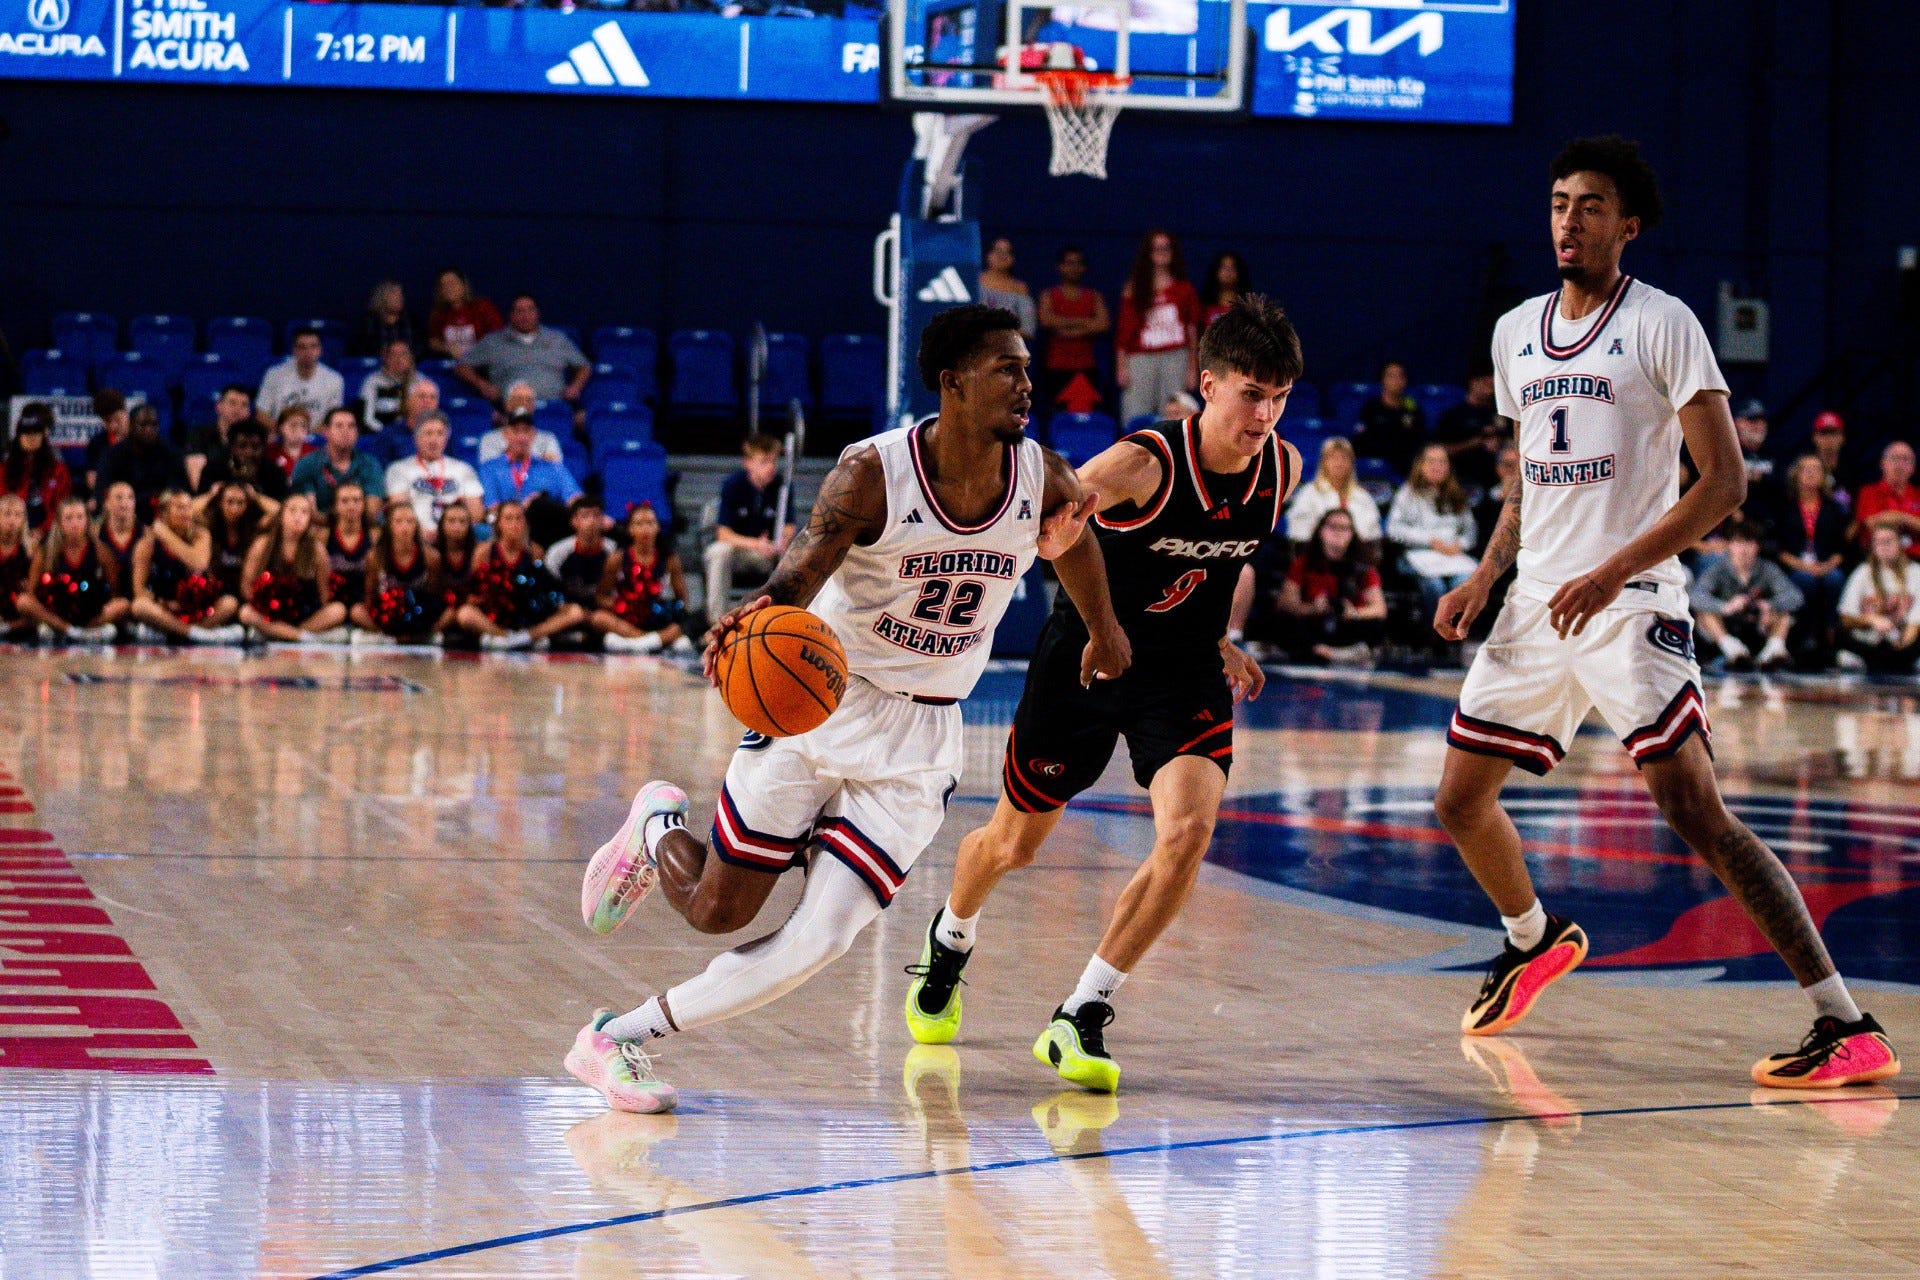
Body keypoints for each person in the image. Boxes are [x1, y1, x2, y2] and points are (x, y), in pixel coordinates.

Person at [566, 304, 1127, 1114]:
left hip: (922, 737)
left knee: (821, 939)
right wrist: (747, 623)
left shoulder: (1045, 479)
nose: (1025, 384)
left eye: (1026, 368)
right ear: (953, 383)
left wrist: (1104, 631)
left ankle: (616, 1037)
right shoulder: (872, 474)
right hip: (822, 705)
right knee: (718, 911)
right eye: (1007, 369)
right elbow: (794, 578)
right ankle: (657, 827)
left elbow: (1077, 544)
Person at [1430, 135, 1896, 1085]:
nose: (1569, 220)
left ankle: (1845, 1022)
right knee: (1459, 801)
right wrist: (1486, 573)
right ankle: (1533, 936)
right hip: (1534, 603)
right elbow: (1527, 475)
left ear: (1628, 226)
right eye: (1559, 202)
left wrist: (1612, 572)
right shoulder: (1515, 331)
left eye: (1591, 205)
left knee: (1695, 809)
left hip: (1631, 601)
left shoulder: (1664, 322)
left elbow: (1724, 483)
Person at [903, 299, 1301, 1091]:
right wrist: (1095, 619)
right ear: (1208, 385)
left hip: (1182, 671)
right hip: (1086, 657)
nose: (1265, 415)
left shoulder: (1280, 468)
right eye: (1252, 394)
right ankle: (950, 937)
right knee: (1014, 845)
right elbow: (1046, 525)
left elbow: (1214, 560)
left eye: (1280, 398)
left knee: (1188, 832)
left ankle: (1081, 1010)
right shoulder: (1142, 465)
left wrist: (1219, 638)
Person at [453, 500, 585, 650]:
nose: (514, 524)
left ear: (525, 523)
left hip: (528, 617)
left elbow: (545, 590)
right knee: (465, 614)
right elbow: (471, 591)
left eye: (519, 518)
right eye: (508, 518)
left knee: (575, 612)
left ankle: (526, 637)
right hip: (495, 616)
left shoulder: (535, 551)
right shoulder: (485, 552)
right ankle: (504, 636)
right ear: (499, 524)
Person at [1265, 507, 1387, 664]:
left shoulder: (1364, 566)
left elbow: (1379, 609)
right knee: (1283, 621)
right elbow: (1285, 604)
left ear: (1352, 534)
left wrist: (1354, 613)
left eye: (1344, 528)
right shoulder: (1303, 563)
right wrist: (1312, 608)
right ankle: (1322, 651)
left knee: (1376, 625)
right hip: (1314, 623)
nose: (1338, 533)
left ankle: (1332, 652)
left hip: (1347, 625)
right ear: (1321, 531)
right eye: (1332, 527)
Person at [1388, 443, 1480, 632]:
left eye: (1442, 462)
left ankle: (1457, 632)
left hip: (1452, 555)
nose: (1437, 466)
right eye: (1431, 461)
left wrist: (1459, 545)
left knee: (1464, 582)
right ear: (1420, 465)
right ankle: (1434, 633)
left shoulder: (1456, 494)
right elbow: (1393, 528)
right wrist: (1429, 541)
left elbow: (1470, 532)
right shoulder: (1407, 493)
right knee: (1435, 587)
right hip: (1419, 554)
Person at [130, 489, 242, 643]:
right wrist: (164, 603)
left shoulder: (200, 534)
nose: (186, 512)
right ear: (165, 512)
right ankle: (196, 634)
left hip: (197, 608)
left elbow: (199, 564)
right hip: (165, 608)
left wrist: (164, 532)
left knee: (230, 603)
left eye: (189, 507)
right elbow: (139, 589)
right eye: (179, 507)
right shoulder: (148, 542)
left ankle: (174, 633)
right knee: (139, 606)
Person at [1690, 520, 1803, 670]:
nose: (1743, 549)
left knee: (1784, 615)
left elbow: (1795, 597)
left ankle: (1773, 652)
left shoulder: (1768, 569)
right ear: (1729, 545)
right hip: (1727, 626)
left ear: (1757, 546)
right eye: (1738, 542)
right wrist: (1725, 606)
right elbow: (1696, 597)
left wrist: (1769, 605)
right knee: (1705, 614)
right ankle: (1734, 653)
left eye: (1749, 543)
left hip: (1758, 625)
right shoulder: (1718, 570)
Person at [1115, 229, 1199, 425]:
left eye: (1166, 248)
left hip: (1175, 357)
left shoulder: (1184, 289)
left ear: (1173, 252)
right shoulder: (1134, 288)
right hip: (1140, 358)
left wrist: (1192, 367)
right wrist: (1121, 366)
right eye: (1156, 248)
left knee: (1175, 417)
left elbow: (1192, 330)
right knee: (1135, 414)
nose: (1161, 252)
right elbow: (1124, 331)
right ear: (1148, 253)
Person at [239, 493, 348, 643]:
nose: (298, 517)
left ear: (310, 519)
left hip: (304, 615)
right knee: (246, 612)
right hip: (270, 614)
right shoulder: (263, 544)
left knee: (338, 610)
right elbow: (246, 586)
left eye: (304, 512)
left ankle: (284, 634)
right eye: (292, 511)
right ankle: (301, 637)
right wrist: (263, 604)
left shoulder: (316, 549)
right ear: (281, 516)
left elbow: (324, 595)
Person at [702, 434, 791, 615]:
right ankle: (717, 619)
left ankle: (784, 615)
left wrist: (782, 540)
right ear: (748, 463)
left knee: (792, 555)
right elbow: (723, 534)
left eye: (773, 461)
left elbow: (789, 525)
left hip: (769, 554)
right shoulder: (733, 485)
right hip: (740, 552)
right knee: (718, 551)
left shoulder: (782, 485)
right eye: (764, 462)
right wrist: (756, 544)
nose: (771, 467)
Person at [17, 496, 126, 642]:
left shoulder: (99, 550)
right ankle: (69, 630)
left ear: (87, 521)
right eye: (69, 518)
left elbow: (115, 590)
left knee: (123, 605)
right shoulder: (46, 551)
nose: (75, 524)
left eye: (80, 517)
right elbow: (31, 591)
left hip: (90, 613)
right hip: (56, 613)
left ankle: (79, 631)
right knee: (23, 601)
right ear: (59, 523)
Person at [591, 502, 693, 655]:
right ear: (630, 529)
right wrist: (624, 606)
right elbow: (600, 597)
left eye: (650, 523)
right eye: (639, 524)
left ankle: (637, 643)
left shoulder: (669, 559)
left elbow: (682, 599)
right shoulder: (617, 558)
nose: (645, 529)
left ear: (657, 527)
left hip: (656, 616)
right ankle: (652, 641)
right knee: (598, 618)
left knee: (682, 626)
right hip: (626, 620)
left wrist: (666, 610)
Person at [1770, 453, 1850, 647]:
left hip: (1826, 563)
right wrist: (1804, 566)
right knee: (1805, 580)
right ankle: (1805, 633)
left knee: (1834, 579)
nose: (1811, 473)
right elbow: (1777, 547)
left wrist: (1826, 566)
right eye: (1806, 469)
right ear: (1796, 474)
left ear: (1825, 476)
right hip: (1795, 563)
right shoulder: (1784, 506)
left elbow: (1843, 547)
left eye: (1816, 469)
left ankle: (1832, 633)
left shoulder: (1834, 508)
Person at [457, 293, 590, 407]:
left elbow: (584, 366)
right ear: (511, 315)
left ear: (537, 313)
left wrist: (575, 387)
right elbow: (461, 366)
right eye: (519, 311)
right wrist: (483, 385)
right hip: (509, 411)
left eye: (530, 310)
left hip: (554, 408)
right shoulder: (493, 342)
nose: (525, 315)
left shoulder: (557, 339)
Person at [350, 499, 446, 644]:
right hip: (387, 615)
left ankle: (422, 636)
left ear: (416, 526)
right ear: (389, 526)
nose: (404, 527)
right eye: (398, 522)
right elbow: (370, 595)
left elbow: (434, 596)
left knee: (448, 613)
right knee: (356, 611)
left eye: (410, 521)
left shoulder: (431, 557)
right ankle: (387, 637)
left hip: (418, 614)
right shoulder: (375, 556)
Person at [479, 410, 580, 546]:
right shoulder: (490, 468)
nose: (522, 437)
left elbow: (575, 499)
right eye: (516, 431)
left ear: (533, 435)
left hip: (550, 528)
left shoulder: (552, 467)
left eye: (526, 431)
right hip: (507, 526)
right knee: (537, 506)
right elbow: (492, 507)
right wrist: (525, 507)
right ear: (506, 434)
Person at [1836, 524, 1920, 673]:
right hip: (1867, 643)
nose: (1884, 546)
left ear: (1901, 544)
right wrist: (1870, 620)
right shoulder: (1862, 572)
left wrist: (1902, 646)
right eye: (1878, 542)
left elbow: (1915, 623)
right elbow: (1846, 619)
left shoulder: (1915, 572)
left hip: (1901, 642)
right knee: (1846, 657)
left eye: (1889, 541)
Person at [1036, 245, 1110, 414]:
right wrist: (1085, 324)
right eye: (1069, 263)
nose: (1073, 268)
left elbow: (1103, 324)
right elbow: (1046, 321)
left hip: (1086, 368)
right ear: (1060, 266)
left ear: (1084, 267)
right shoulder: (1049, 295)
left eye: (1078, 263)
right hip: (1055, 368)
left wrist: (1064, 327)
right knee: (1056, 416)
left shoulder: (1094, 296)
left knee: (1086, 416)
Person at [386, 412, 484, 538]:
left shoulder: (464, 469)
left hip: (456, 538)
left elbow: (475, 513)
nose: (434, 440)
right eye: (428, 433)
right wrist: (421, 534)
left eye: (440, 433)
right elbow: (399, 511)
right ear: (416, 438)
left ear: (446, 438)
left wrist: (451, 533)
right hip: (415, 537)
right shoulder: (398, 469)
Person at [289, 408, 386, 521]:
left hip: (362, 526)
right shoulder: (306, 464)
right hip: (321, 526)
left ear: (357, 432)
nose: (345, 431)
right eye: (339, 426)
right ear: (326, 431)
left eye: (351, 426)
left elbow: (372, 511)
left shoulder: (370, 464)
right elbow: (309, 513)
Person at [1284, 435, 1382, 546]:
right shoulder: (1309, 493)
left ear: (1351, 463)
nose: (1339, 463)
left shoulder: (1363, 497)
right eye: (1333, 458)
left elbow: (1373, 535)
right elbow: (1298, 533)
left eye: (1344, 458)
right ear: (1323, 462)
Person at [96, 403, 187, 521]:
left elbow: (178, 492)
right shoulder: (112, 455)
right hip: (122, 515)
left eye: (154, 425)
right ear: (131, 426)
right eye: (143, 425)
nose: (149, 430)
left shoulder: (171, 454)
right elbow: (103, 493)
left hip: (161, 518)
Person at [194, 480, 268, 610]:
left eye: (240, 503)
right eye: (229, 502)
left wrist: (256, 496)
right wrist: (210, 495)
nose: (234, 508)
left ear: (247, 505)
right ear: (220, 503)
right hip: (214, 595)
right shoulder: (209, 525)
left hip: (246, 593)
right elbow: (189, 511)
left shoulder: (254, 528)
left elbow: (279, 513)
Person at [3, 402, 73, 536]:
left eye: (36, 433)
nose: (31, 438)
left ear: (43, 436)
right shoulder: (5, 469)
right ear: (18, 437)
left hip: (49, 533)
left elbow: (61, 507)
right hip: (11, 531)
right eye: (26, 433)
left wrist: (42, 531)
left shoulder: (58, 470)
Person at [1433, 373, 1506, 494]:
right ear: (1473, 382)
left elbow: (1513, 444)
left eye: (1493, 386)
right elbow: (1440, 450)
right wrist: (1473, 443)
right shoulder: (1453, 415)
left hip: (1495, 483)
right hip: (1461, 480)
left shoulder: (1499, 413)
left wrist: (1499, 444)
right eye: (1486, 384)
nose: (1490, 390)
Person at [1351, 360, 1426, 478]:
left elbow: (1420, 439)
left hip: (1405, 463)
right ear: (1383, 380)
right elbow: (1360, 440)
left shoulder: (1412, 408)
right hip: (1378, 460)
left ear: (1405, 381)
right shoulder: (1371, 408)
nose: (1397, 381)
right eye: (1391, 376)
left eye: (1401, 376)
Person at [256, 328, 345, 426]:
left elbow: (334, 419)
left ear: (320, 350)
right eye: (302, 347)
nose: (308, 352)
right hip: (280, 432)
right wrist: (284, 431)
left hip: (316, 434)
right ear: (294, 350)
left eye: (313, 346)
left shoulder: (334, 379)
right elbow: (261, 414)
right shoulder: (274, 375)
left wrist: (310, 434)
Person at [546, 494, 616, 616]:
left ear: (603, 520)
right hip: (568, 612)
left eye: (596, 515)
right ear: (574, 521)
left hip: (602, 613)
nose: (591, 521)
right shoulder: (557, 552)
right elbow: (549, 590)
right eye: (585, 516)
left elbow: (617, 593)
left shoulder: (614, 551)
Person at [1852, 440, 1920, 559]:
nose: (1899, 465)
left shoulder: (1917, 493)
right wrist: (1912, 521)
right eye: (1894, 458)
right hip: (1880, 558)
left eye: (1905, 460)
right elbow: (1871, 523)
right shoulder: (1869, 492)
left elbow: (1883, 519)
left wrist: (1900, 517)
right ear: (1882, 464)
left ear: (1913, 468)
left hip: (1915, 557)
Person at [196, 418, 287, 504]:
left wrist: (256, 496)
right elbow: (196, 507)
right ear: (231, 447)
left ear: (263, 447)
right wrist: (211, 495)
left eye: (255, 447)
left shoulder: (274, 472)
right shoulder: (213, 470)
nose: (249, 452)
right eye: (242, 446)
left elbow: (282, 509)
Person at [184, 384, 255, 493]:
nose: (238, 409)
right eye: (232, 403)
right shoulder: (198, 436)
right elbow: (198, 484)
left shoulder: (255, 441)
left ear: (249, 412)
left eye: (244, 405)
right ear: (218, 406)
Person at [427, 267, 503, 361]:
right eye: (443, 285)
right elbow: (433, 341)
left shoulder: (483, 307)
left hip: (482, 360)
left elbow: (498, 337)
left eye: (452, 283)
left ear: (463, 285)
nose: (448, 288)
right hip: (452, 362)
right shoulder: (439, 313)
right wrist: (446, 348)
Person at [477, 385, 565, 464]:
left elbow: (555, 470)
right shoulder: (489, 439)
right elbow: (488, 469)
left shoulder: (548, 439)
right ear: (507, 404)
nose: (523, 403)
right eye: (518, 399)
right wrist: (539, 458)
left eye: (529, 400)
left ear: (534, 406)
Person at [324, 482, 374, 613]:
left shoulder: (375, 536)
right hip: (332, 606)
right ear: (335, 506)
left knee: (357, 613)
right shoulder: (324, 536)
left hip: (364, 607)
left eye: (356, 501)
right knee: (337, 612)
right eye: (345, 501)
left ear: (364, 505)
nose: (351, 506)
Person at [1731, 399, 1781, 526]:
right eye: (1752, 420)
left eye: (1762, 421)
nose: (1758, 426)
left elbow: (1785, 484)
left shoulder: (1775, 452)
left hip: (1770, 523)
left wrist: (1762, 477)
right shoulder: (1728, 451)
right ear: (1738, 422)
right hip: (1734, 523)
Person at [977, 236, 1036, 338]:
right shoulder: (973, 281)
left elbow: (1028, 329)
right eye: (997, 251)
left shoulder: (1020, 288)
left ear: (1013, 258)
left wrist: (999, 333)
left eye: (1007, 252)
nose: (1002, 256)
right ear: (988, 255)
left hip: (1007, 345)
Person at [359, 339, 421, 434]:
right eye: (393, 355)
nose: (398, 359)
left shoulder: (421, 382)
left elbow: (426, 415)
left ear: (411, 358)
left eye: (403, 354)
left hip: (412, 435)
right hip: (380, 433)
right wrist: (386, 433)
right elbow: (367, 418)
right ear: (385, 358)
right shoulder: (372, 381)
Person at [97, 481, 142, 602]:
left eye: (130, 497)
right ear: (106, 503)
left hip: (139, 599)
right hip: (106, 600)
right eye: (119, 498)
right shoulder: (95, 534)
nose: (125, 503)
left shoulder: (146, 535)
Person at [0, 495, 36, 641]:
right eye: (7, 514)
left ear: (24, 519)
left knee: (29, 604)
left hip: (18, 604)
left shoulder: (31, 548)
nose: (12, 520)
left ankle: (7, 628)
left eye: (17, 515)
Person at [83, 388, 129, 499]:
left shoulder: (142, 439)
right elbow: (92, 480)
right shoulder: (97, 443)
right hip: (108, 499)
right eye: (107, 421)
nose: (113, 426)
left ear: (126, 411)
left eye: (117, 419)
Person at [436, 503, 481, 617]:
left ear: (469, 526)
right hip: (440, 607)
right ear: (442, 524)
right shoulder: (432, 553)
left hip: (471, 609)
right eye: (451, 521)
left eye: (462, 522)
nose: (457, 526)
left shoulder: (479, 552)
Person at [354, 279, 415, 358]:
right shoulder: (369, 322)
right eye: (394, 293)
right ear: (382, 297)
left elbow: (419, 347)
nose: (400, 298)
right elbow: (362, 349)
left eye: (400, 294)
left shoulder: (411, 320)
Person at [267, 406, 318, 485]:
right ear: (281, 427)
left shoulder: (315, 453)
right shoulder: (270, 452)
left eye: (303, 426)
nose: (299, 430)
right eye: (293, 425)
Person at [1199, 250, 1248, 331]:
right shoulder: (1204, 308)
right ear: (1216, 271)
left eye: (1232, 267)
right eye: (1224, 267)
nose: (1228, 272)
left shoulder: (1247, 309)